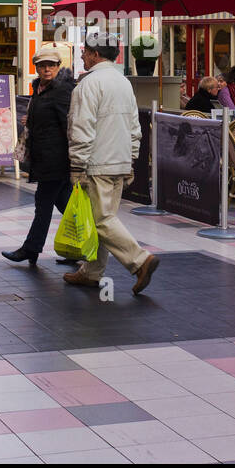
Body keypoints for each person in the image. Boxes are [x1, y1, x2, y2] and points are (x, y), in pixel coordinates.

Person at [62, 34, 159, 295]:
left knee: (102, 219)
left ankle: (140, 260)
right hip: (119, 161)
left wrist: (77, 165)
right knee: (103, 218)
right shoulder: (123, 83)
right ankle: (92, 273)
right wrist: (132, 158)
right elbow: (134, 126)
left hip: (97, 163)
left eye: (85, 51)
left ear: (95, 54)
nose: (82, 56)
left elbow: (81, 128)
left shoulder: (88, 84)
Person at [2, 45, 74, 266]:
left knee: (43, 203)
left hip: (56, 157)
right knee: (66, 205)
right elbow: (44, 117)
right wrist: (31, 119)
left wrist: (74, 157)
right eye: (42, 66)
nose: (46, 69)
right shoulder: (39, 88)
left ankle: (31, 249)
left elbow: (67, 124)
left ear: (58, 66)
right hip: (44, 155)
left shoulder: (61, 90)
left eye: (51, 65)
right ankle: (84, 248)